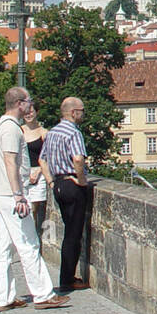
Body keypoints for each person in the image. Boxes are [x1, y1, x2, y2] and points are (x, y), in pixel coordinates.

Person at [0, 88, 68, 311]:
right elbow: (10, 162)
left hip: (0, 193)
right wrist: (18, 195)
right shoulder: (11, 129)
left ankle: (4, 298)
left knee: (3, 247)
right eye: (29, 102)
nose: (31, 107)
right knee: (28, 244)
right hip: (10, 195)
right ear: (20, 103)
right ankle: (43, 294)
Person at [42, 96, 90, 292]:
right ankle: (67, 280)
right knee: (73, 233)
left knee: (69, 231)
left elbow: (42, 160)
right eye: (82, 111)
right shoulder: (73, 132)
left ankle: (66, 277)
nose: (83, 114)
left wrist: (52, 182)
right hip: (72, 185)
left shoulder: (52, 132)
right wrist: (82, 180)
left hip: (59, 185)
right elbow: (78, 158)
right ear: (73, 112)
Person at [21, 100, 49, 240]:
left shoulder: (44, 132)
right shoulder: (19, 131)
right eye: (26, 112)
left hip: (39, 174)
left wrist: (38, 171)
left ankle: (32, 241)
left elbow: (48, 156)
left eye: (31, 111)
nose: (28, 114)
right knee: (23, 209)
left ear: (36, 112)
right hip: (23, 173)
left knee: (34, 210)